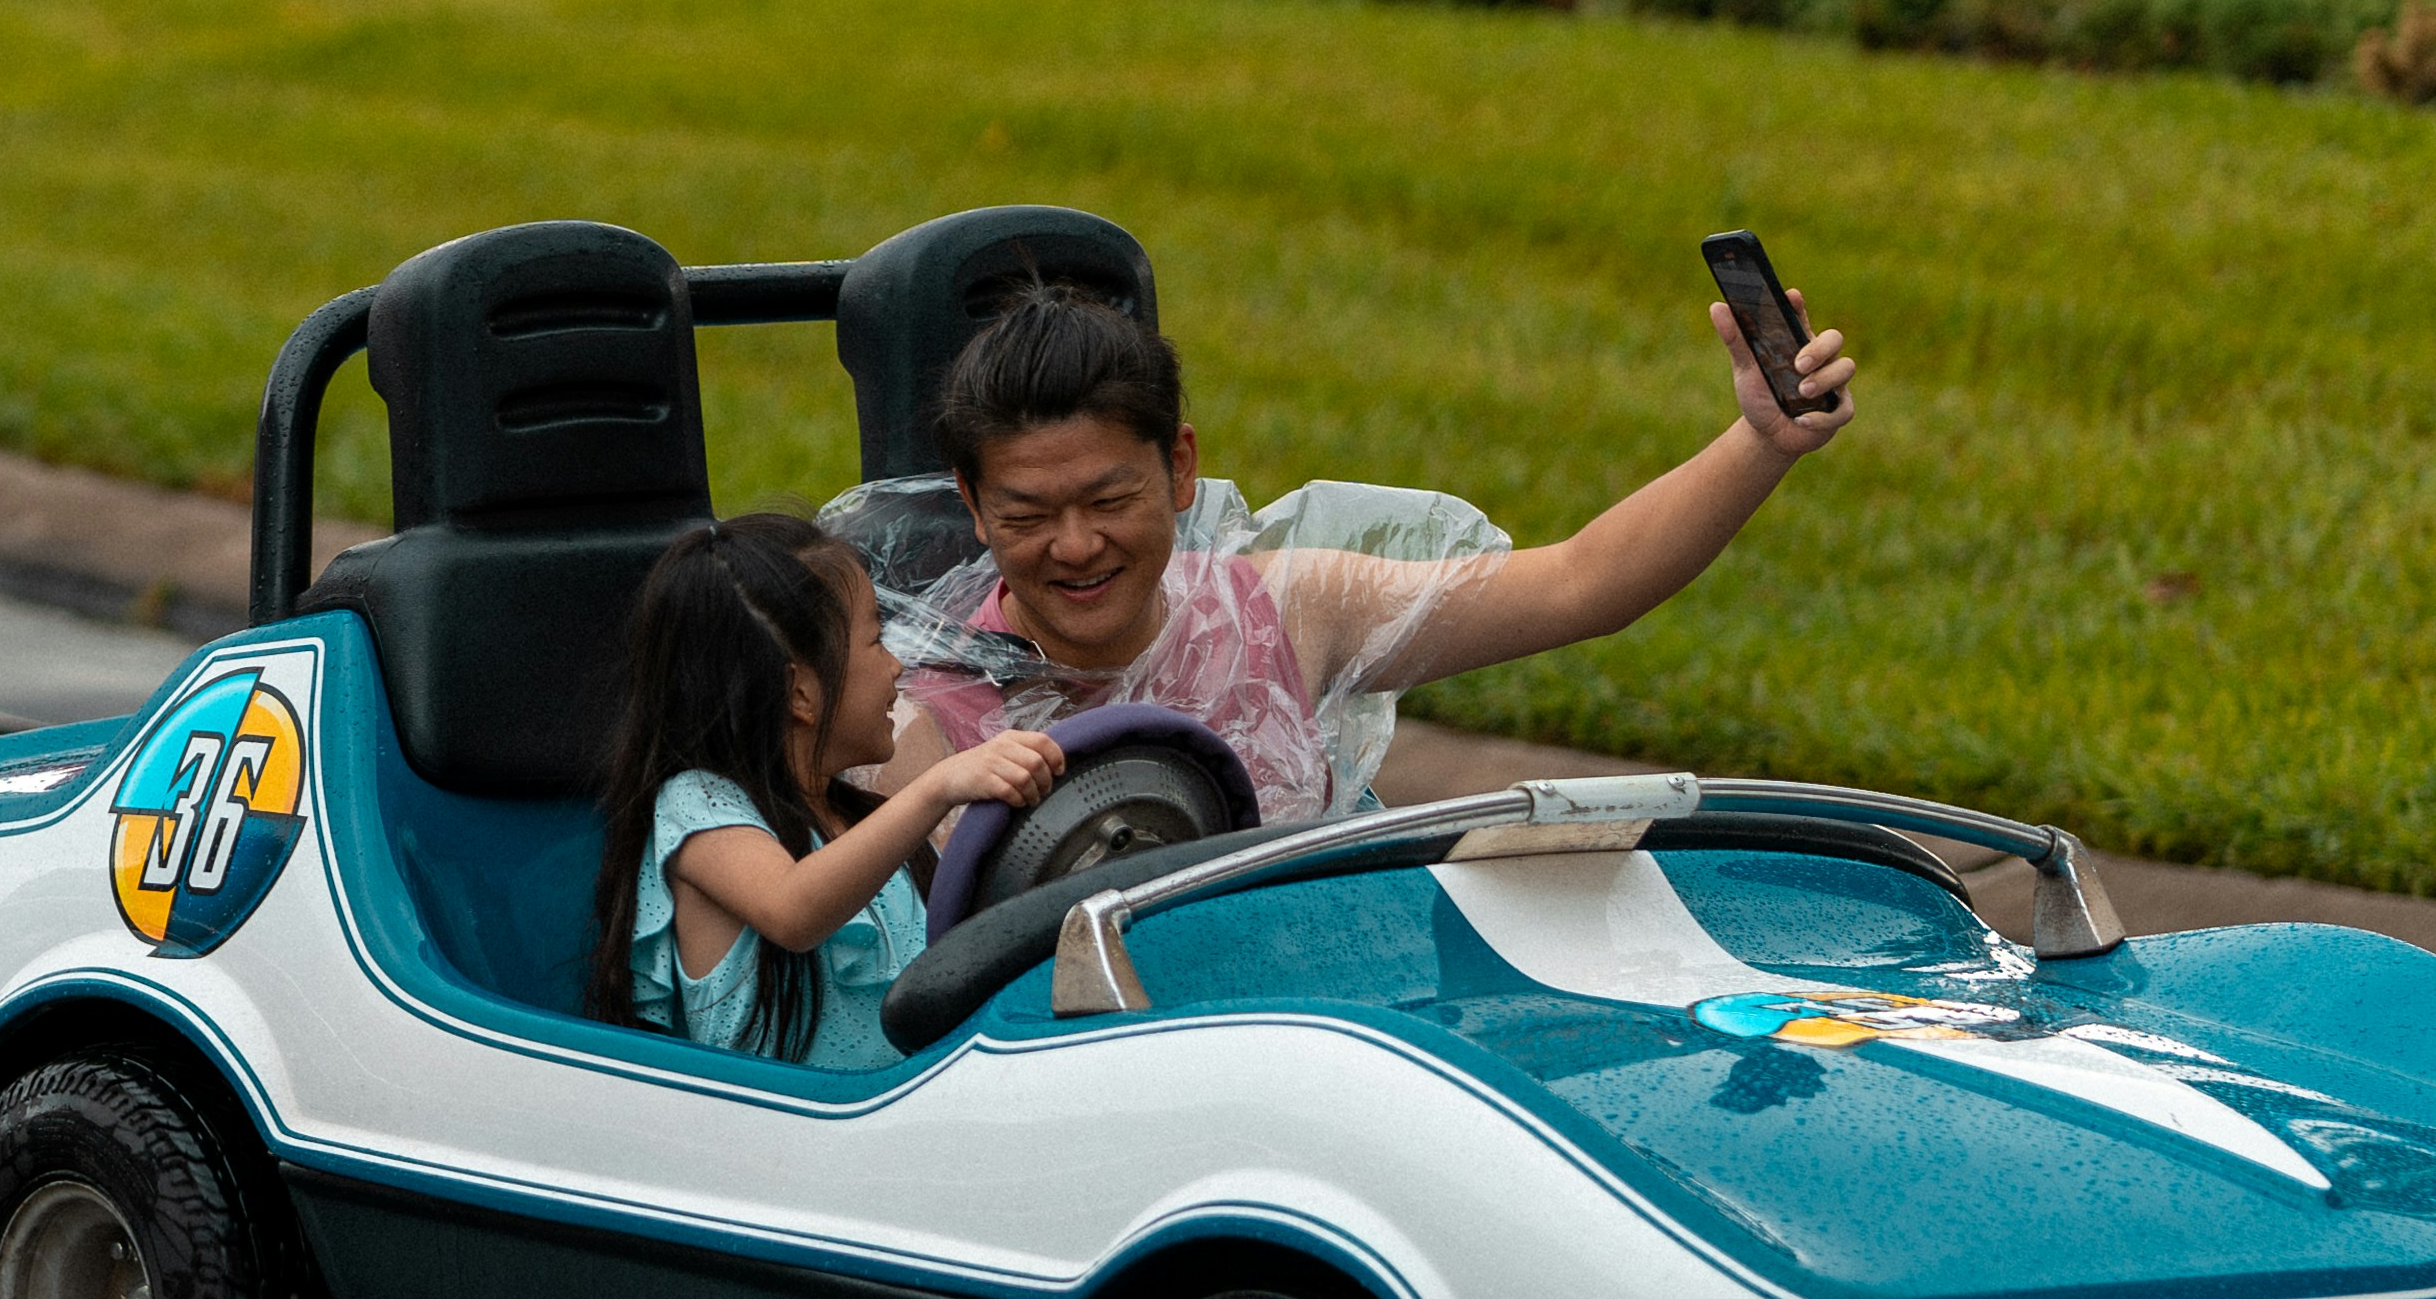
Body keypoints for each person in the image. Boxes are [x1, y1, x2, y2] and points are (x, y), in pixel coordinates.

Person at [845, 283, 1853, 832]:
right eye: (1027, 512)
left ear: (1180, 468)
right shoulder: (916, 714)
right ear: (972, 504)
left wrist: (1760, 441)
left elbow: (1582, 582)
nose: (1075, 544)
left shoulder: (1285, 610)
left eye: (1110, 498)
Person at [586, 513, 1069, 1074]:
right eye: (875, 640)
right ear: (799, 693)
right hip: (777, 1138)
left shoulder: (855, 818)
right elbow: (793, 911)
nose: (896, 667)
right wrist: (937, 786)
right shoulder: (698, 805)